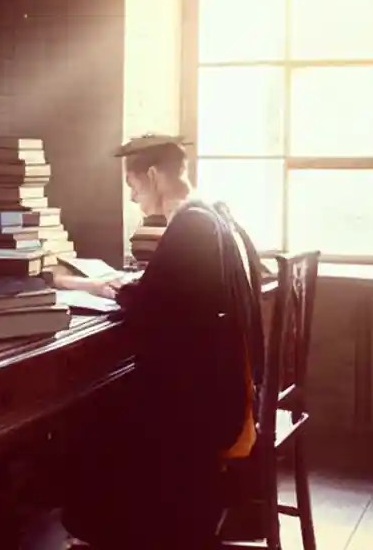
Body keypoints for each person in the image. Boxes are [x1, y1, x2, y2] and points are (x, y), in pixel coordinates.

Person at [59, 134, 264, 550]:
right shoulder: (212, 215)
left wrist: (117, 290)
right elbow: (174, 295)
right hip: (219, 387)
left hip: (200, 406)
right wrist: (130, 287)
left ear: (152, 176)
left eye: (133, 185)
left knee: (86, 416)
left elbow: (152, 307)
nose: (133, 197)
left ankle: (118, 532)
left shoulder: (191, 226)